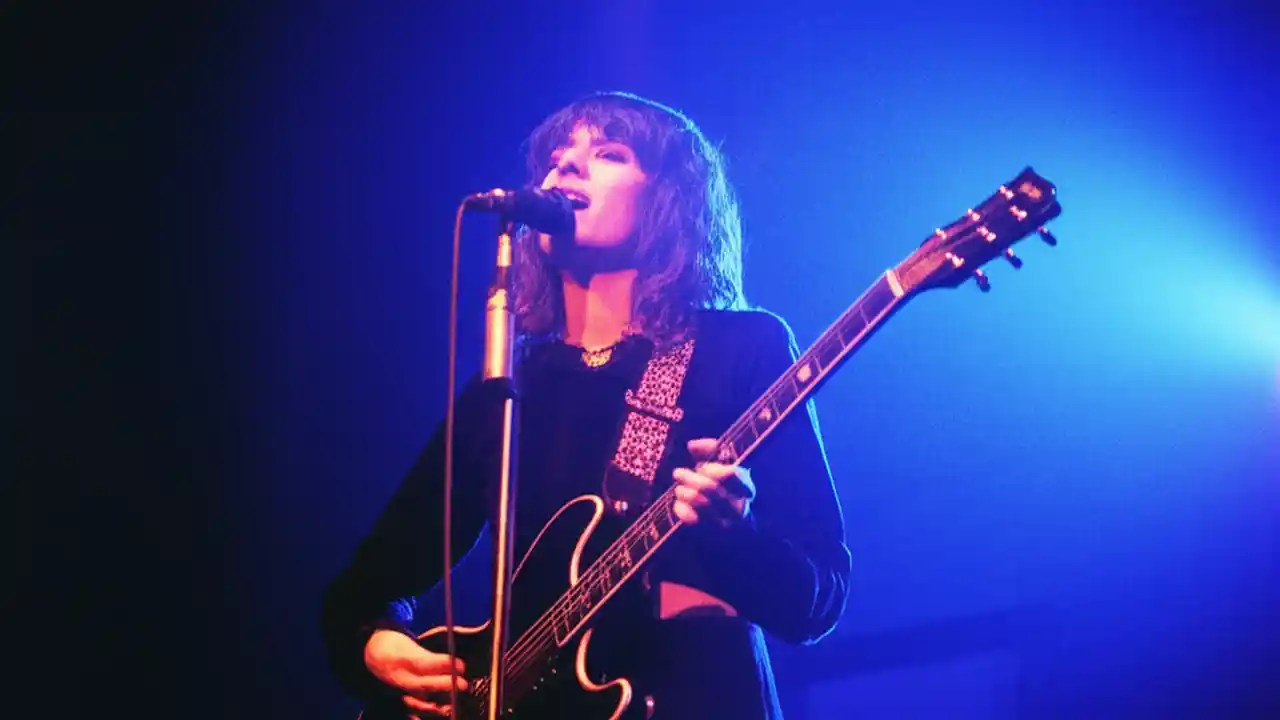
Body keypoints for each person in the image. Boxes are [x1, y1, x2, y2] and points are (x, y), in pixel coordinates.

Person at [321, 91, 850, 719]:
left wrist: (730, 537)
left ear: (669, 200)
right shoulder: (509, 389)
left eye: (609, 152)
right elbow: (365, 586)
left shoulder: (740, 348)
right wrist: (373, 643)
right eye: (557, 156)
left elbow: (818, 599)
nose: (565, 167)